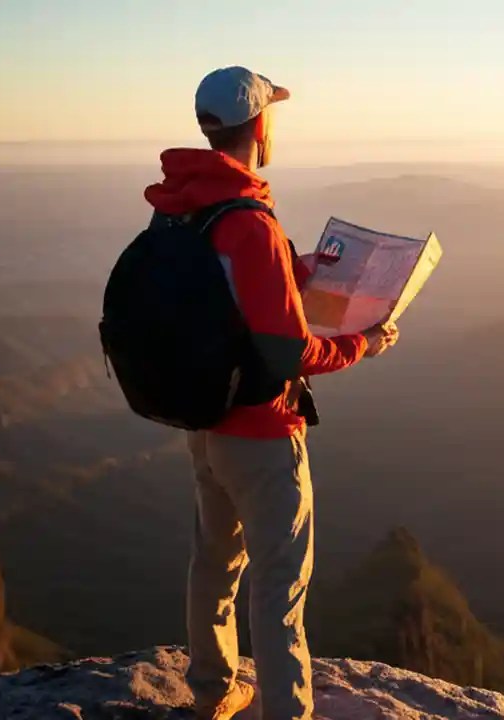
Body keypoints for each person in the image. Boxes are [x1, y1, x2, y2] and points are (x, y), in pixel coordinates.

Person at [143, 66, 398, 720]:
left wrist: (301, 268)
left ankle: (213, 691)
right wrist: (362, 344)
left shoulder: (184, 204)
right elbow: (288, 351)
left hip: (204, 421)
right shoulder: (248, 220)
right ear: (259, 126)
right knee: (278, 591)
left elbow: (222, 293)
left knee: (213, 563)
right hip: (261, 432)